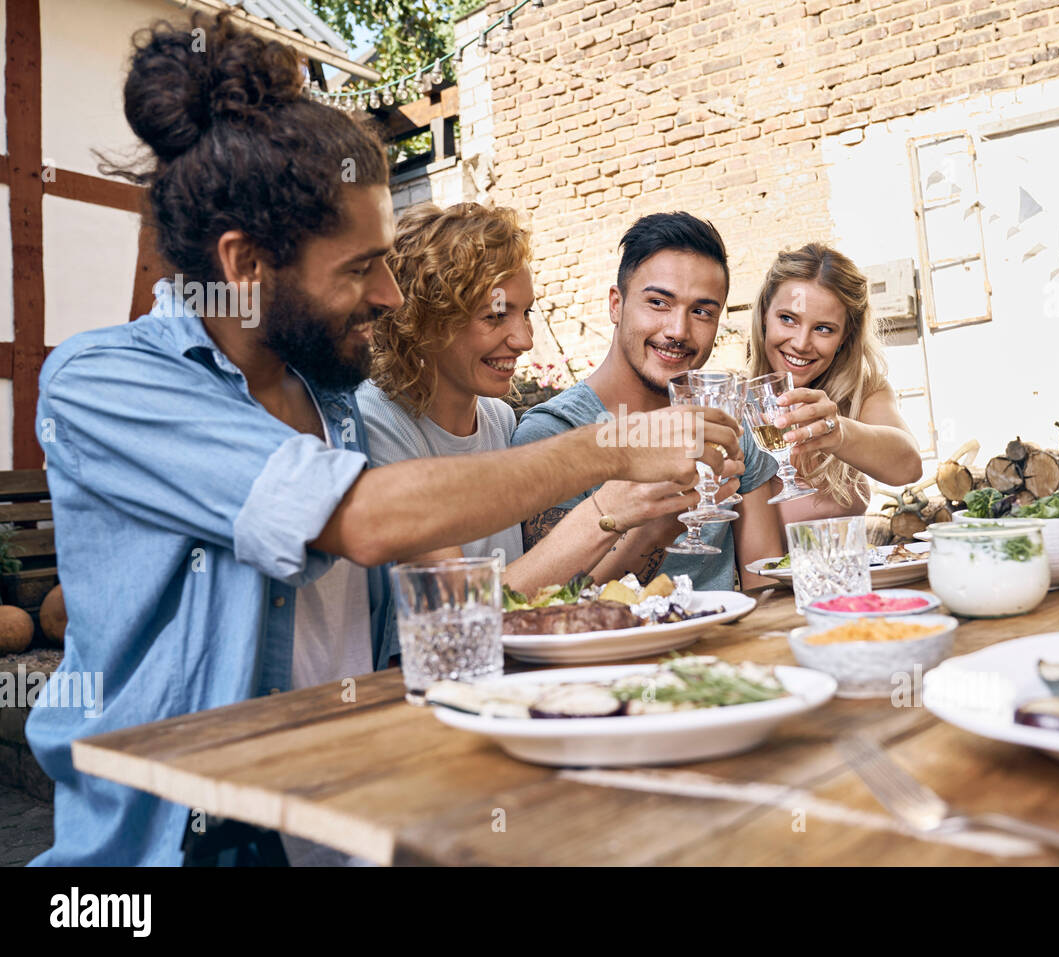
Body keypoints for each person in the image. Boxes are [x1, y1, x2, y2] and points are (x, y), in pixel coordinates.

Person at [26, 13, 739, 867]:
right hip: (176, 848)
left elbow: (445, 609)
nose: (393, 295)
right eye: (361, 267)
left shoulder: (328, 397)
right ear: (245, 264)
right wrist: (610, 449)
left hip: (351, 821)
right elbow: (356, 517)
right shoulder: (103, 382)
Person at [358, 203, 728, 596]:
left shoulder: (497, 419)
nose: (525, 340)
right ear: (426, 318)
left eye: (526, 312)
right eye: (495, 316)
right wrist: (609, 510)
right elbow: (464, 606)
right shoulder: (377, 424)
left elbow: (541, 593)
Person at [511, 212, 785, 591]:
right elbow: (554, 606)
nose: (678, 330)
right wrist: (665, 517)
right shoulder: (553, 433)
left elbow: (765, 587)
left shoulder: (723, 426)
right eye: (658, 302)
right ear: (616, 305)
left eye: (702, 311)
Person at [746, 243, 923, 527]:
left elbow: (909, 466)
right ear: (765, 315)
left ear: (845, 336)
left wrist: (839, 433)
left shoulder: (862, 393)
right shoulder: (734, 402)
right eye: (788, 319)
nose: (801, 343)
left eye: (823, 329)